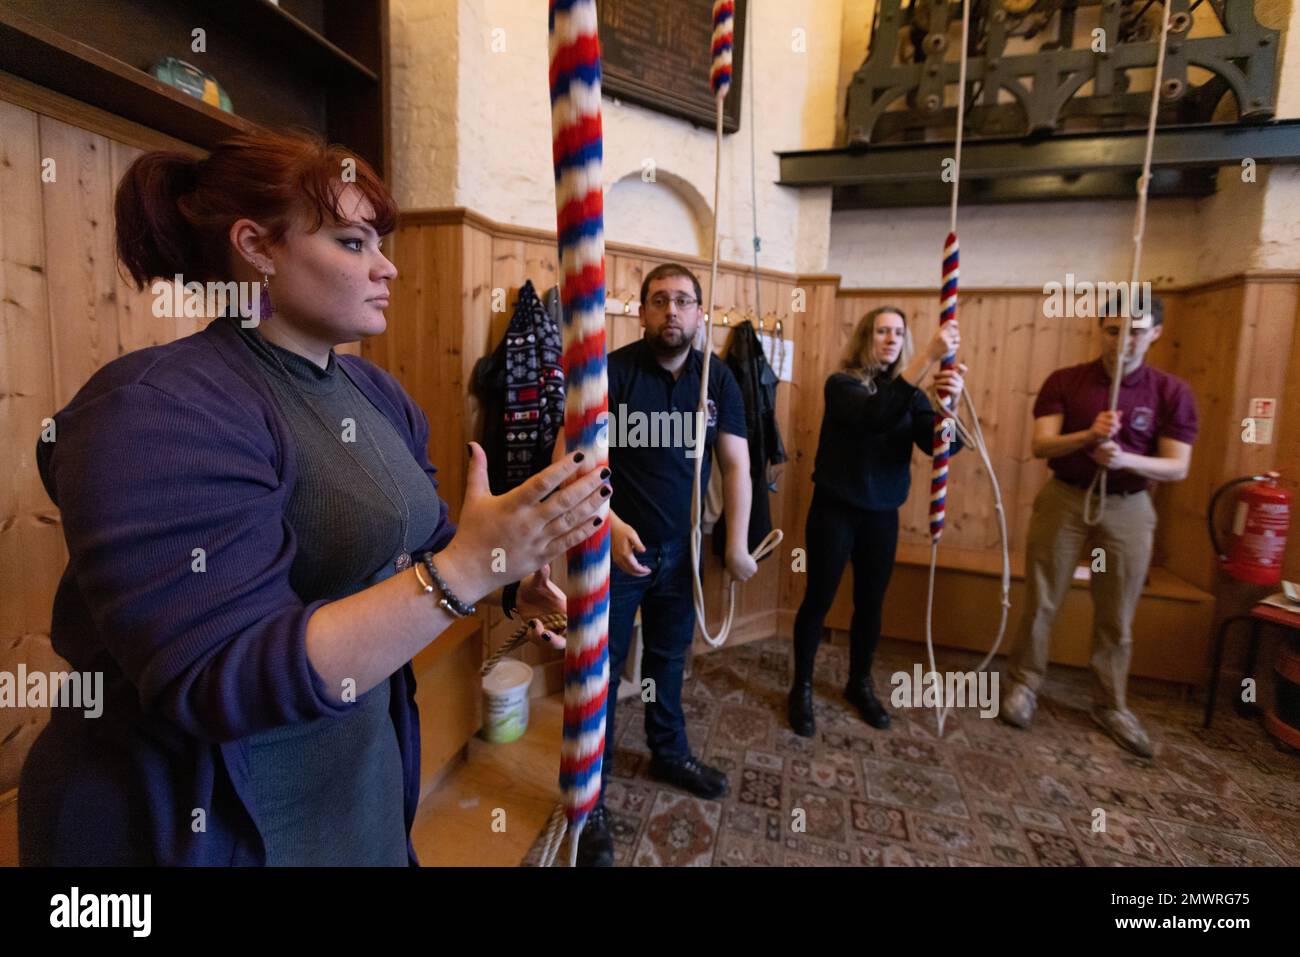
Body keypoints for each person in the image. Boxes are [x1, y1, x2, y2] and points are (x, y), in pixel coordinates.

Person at [19, 129, 609, 866]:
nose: (388, 266)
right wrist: (466, 571)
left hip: (355, 781)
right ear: (257, 247)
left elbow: (414, 556)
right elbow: (218, 675)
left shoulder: (376, 395)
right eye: (354, 242)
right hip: (196, 818)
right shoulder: (157, 409)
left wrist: (517, 572)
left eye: (380, 243)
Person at [574, 263, 757, 866]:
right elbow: (578, 463)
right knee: (597, 671)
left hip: (683, 551)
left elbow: (736, 466)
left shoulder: (718, 378)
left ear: (700, 312)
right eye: (659, 301)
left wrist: (734, 545)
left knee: (669, 658)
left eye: (683, 301)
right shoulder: (613, 373)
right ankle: (588, 797)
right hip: (615, 547)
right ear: (642, 311)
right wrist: (613, 523)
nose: (671, 311)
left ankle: (668, 752)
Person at [999, 294, 1197, 758]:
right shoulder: (1066, 382)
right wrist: (1088, 436)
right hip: (1066, 499)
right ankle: (1024, 685)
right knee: (1043, 599)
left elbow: (1178, 467)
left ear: (1155, 333)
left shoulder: (1172, 392)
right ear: (1099, 330)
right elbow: (1042, 446)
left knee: (1117, 611)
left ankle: (1110, 704)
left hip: (1129, 507)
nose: (1122, 340)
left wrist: (1124, 457)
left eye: (1135, 330)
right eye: (1113, 330)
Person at [787, 307, 966, 737]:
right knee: (819, 599)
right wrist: (927, 357)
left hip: (882, 514)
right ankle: (802, 687)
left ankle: (859, 683)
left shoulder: (913, 394)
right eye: (883, 331)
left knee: (870, 604)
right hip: (836, 510)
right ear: (867, 337)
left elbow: (941, 446)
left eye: (899, 332)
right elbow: (874, 416)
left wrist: (950, 407)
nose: (891, 338)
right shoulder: (841, 384)